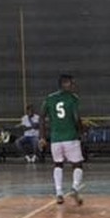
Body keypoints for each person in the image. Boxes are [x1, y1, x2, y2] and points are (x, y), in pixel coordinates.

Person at [40, 74, 84, 205]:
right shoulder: (73, 98)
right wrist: (81, 130)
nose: (73, 85)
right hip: (70, 136)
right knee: (77, 164)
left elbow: (41, 118)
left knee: (58, 164)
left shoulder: (49, 98)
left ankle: (59, 192)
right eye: (71, 83)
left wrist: (42, 137)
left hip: (55, 138)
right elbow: (76, 118)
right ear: (64, 84)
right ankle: (75, 187)